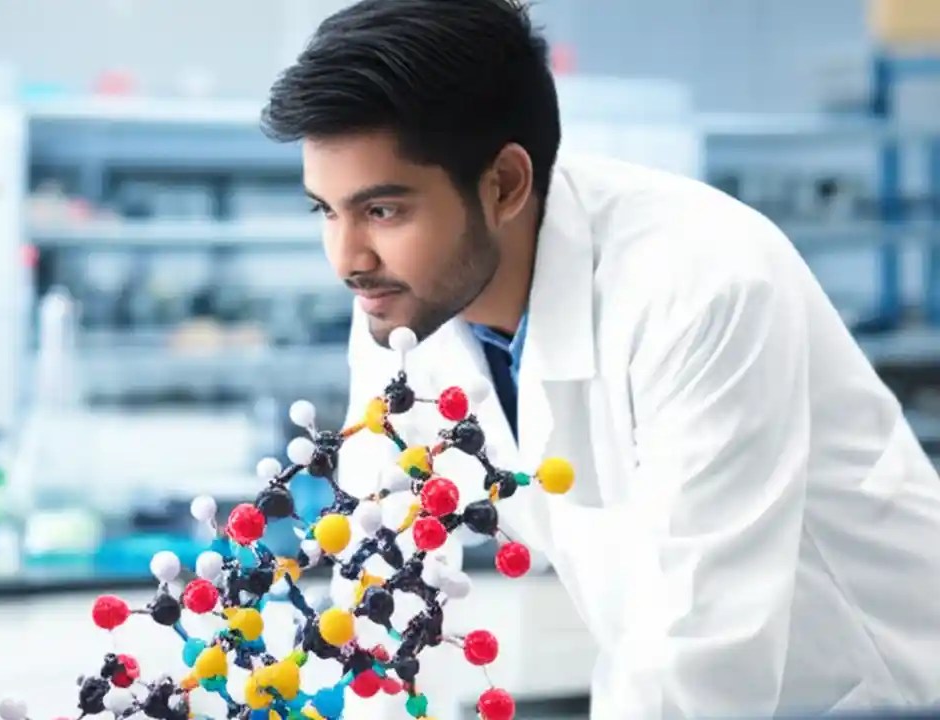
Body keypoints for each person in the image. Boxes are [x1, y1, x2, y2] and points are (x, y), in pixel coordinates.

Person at [259, 0, 940, 718]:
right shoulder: (401, 308)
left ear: (505, 186)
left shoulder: (701, 284)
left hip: (884, 690)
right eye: (325, 211)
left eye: (383, 211)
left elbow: (698, 645)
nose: (346, 258)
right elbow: (382, 573)